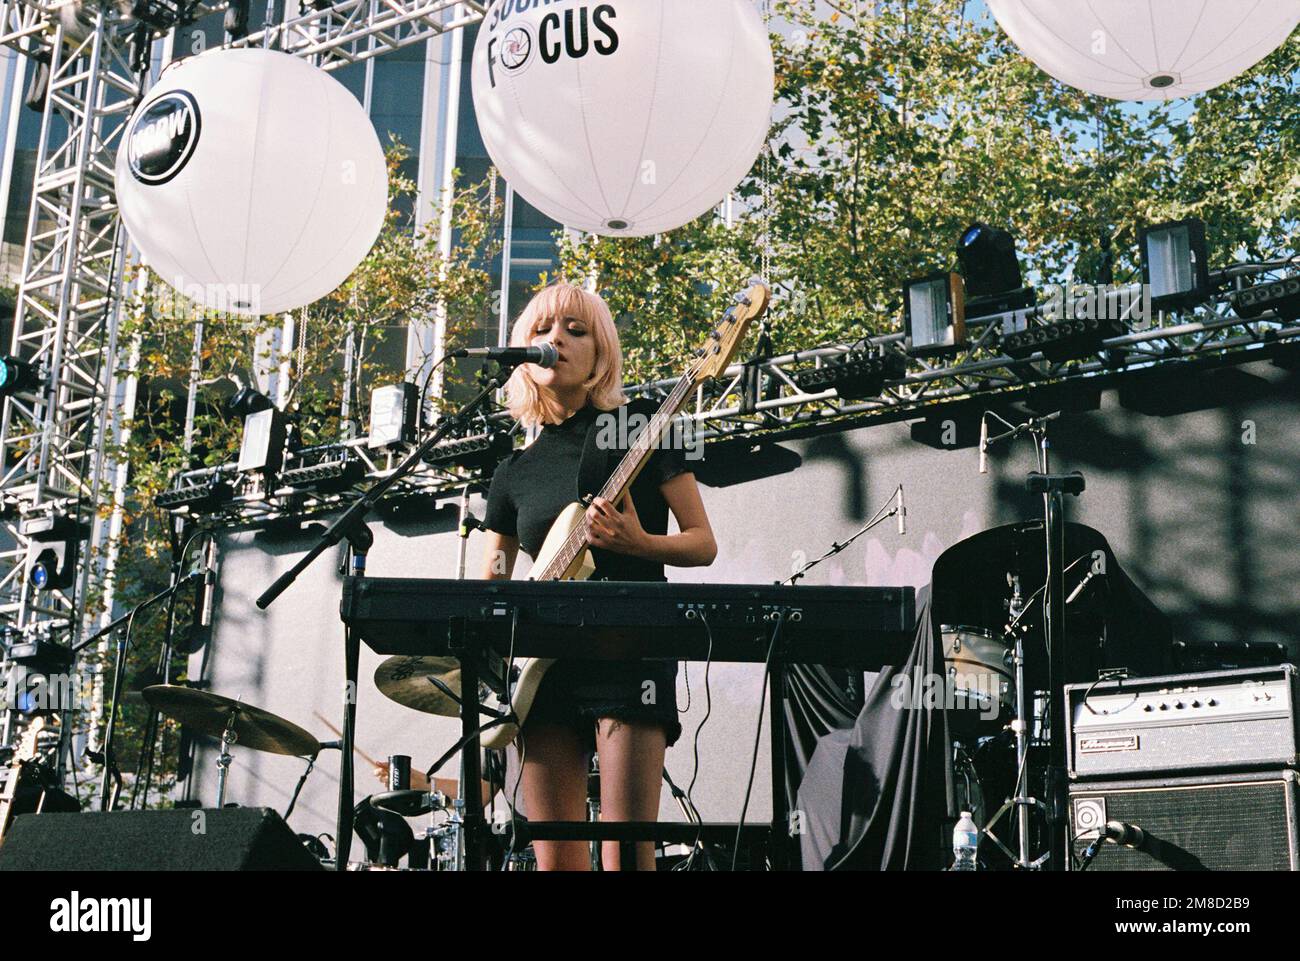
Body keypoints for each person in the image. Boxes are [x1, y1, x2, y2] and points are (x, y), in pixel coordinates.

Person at [479, 282, 717, 871]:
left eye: (575, 331)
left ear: (600, 353)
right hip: (542, 666)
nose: (555, 339)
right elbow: (497, 574)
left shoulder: (640, 429)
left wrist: (638, 544)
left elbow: (703, 544)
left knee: (626, 850)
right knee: (555, 856)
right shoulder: (512, 471)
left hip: (628, 649)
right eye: (541, 331)